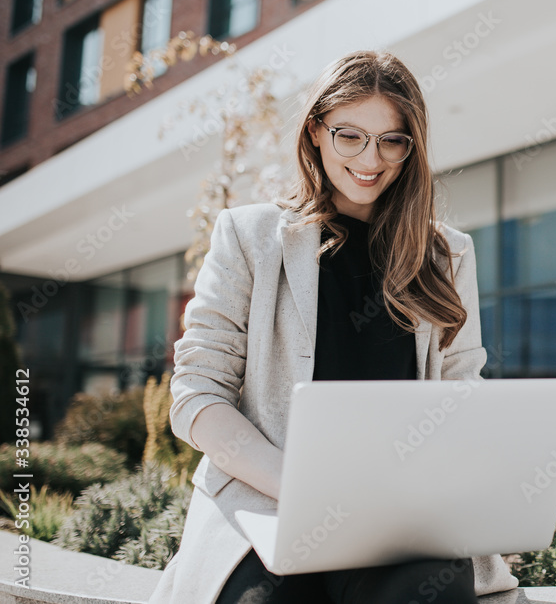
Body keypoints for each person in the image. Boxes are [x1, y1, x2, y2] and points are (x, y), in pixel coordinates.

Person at [148, 50, 519, 604]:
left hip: (399, 515)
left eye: (392, 141)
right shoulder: (248, 236)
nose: (371, 159)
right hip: (268, 506)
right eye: (350, 136)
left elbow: (462, 395)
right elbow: (197, 395)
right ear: (315, 132)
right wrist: (304, 490)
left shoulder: (447, 255)